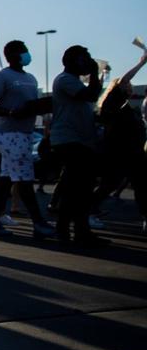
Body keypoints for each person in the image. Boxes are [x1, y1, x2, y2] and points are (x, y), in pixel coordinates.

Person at [0, 41, 55, 239]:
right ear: (11, 55)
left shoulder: (31, 78)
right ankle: (38, 222)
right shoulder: (1, 76)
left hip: (25, 133)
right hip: (8, 133)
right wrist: (10, 112)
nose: (26, 54)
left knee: (6, 180)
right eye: (22, 51)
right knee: (24, 179)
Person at [51, 45, 108, 247]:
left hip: (80, 140)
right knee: (77, 189)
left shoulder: (74, 82)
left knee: (80, 189)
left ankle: (72, 230)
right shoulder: (65, 80)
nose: (89, 62)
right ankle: (73, 231)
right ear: (74, 62)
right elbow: (91, 95)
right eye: (86, 59)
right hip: (69, 141)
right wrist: (94, 72)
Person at [94, 51, 147, 225]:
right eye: (127, 85)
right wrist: (141, 63)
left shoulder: (125, 107)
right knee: (109, 185)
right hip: (119, 153)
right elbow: (123, 80)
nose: (130, 86)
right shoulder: (112, 104)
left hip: (133, 153)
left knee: (140, 186)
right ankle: (87, 213)